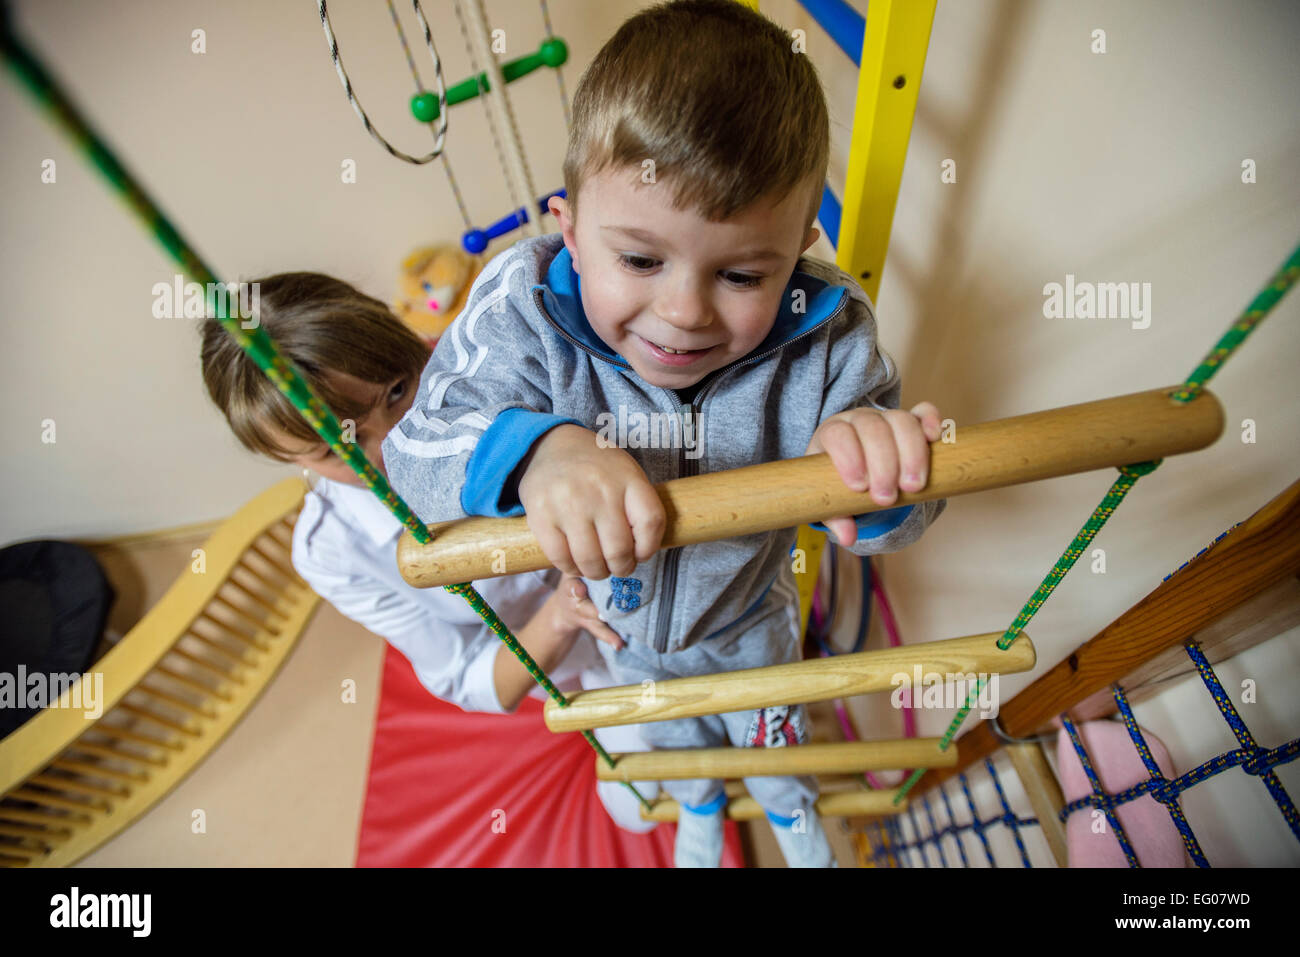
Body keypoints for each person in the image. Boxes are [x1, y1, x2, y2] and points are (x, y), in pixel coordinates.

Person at [382, 0, 948, 867]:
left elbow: (902, 524)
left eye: (742, 272)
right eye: (640, 260)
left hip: (749, 615)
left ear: (799, 251)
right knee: (676, 737)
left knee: (771, 732)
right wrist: (537, 450)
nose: (684, 313)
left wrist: (883, 468)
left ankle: (791, 810)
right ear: (568, 229)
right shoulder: (521, 306)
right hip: (617, 628)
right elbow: (412, 454)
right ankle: (697, 805)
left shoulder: (829, 333)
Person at [199, 272, 659, 832]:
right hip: (588, 662)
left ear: (414, 343)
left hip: (665, 581)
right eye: (336, 448)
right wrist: (560, 616)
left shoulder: (499, 358)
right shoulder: (333, 553)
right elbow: (471, 679)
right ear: (292, 461)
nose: (394, 447)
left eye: (397, 392)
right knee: (641, 809)